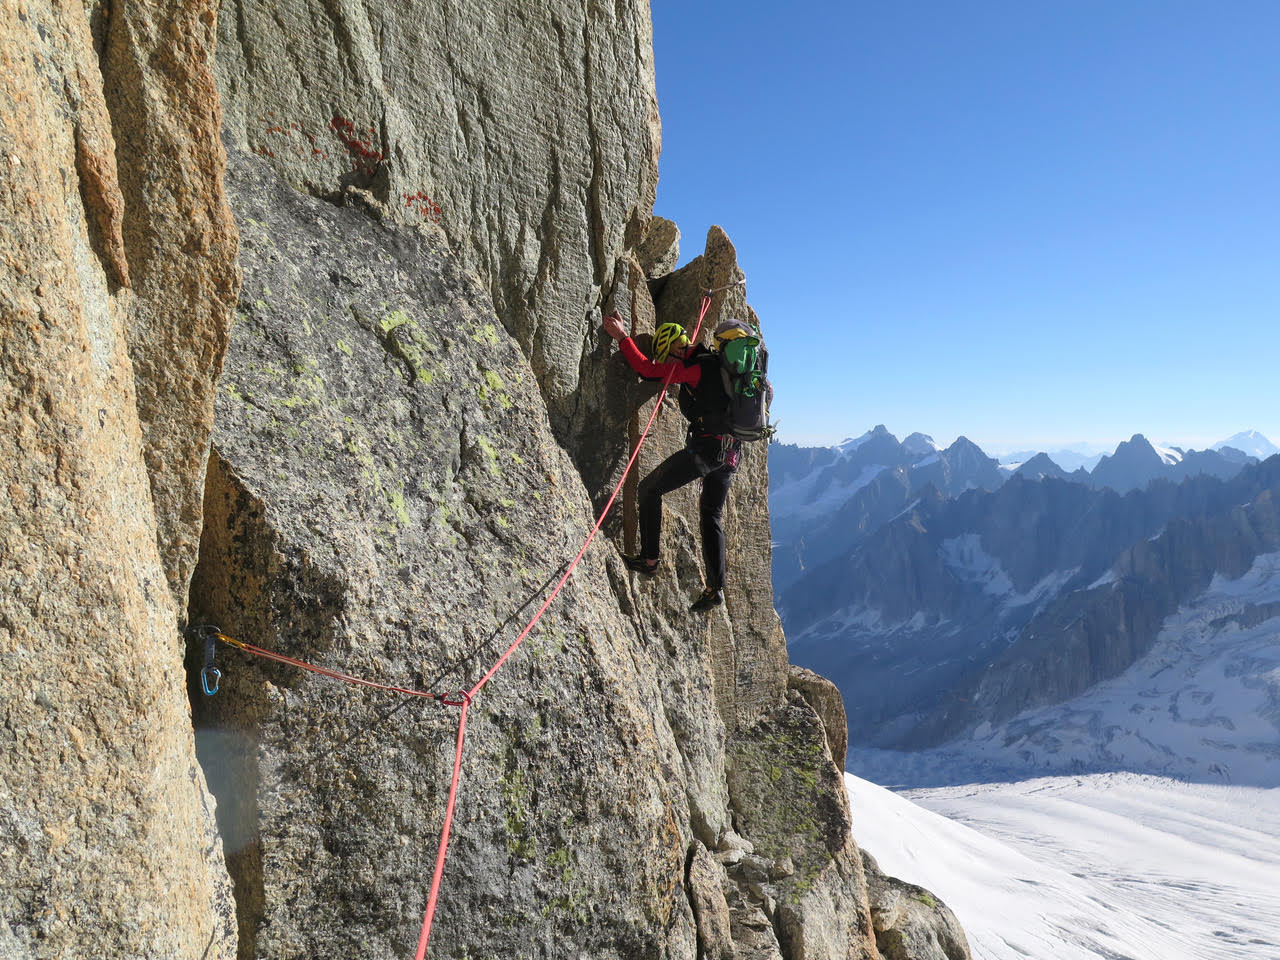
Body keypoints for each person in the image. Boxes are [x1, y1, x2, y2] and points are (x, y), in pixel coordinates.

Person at [602, 309, 742, 612]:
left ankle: (649, 560)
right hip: (731, 453)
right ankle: (714, 589)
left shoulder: (695, 368)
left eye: (667, 356)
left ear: (675, 349)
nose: (668, 364)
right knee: (711, 515)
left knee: (649, 489)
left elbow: (648, 370)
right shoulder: (715, 363)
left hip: (708, 451)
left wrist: (622, 337)